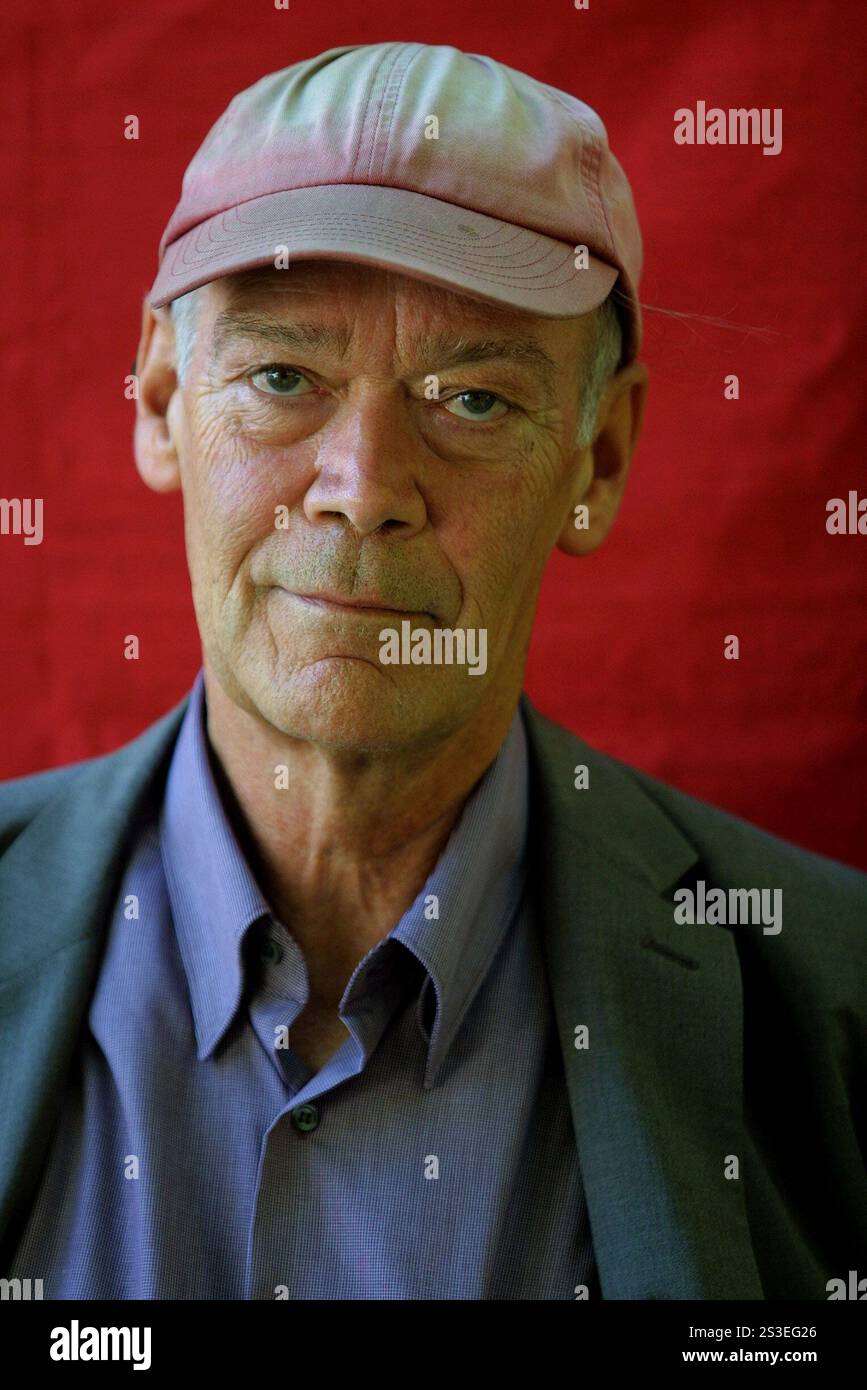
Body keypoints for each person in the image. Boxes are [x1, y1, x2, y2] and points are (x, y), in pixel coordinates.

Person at [1, 40, 864, 1302]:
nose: (362, 490)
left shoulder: (835, 1001)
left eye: (470, 400)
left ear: (600, 460)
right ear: (160, 397)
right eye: (283, 376)